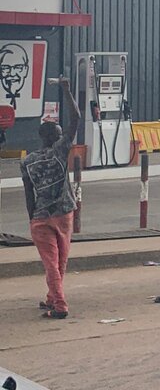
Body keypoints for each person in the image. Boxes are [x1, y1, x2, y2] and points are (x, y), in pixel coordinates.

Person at [21, 77, 80, 320]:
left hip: (40, 217)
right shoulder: (60, 150)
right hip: (63, 213)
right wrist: (66, 90)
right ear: (55, 137)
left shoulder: (27, 162)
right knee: (59, 262)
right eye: (59, 132)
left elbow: (28, 194)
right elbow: (75, 118)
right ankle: (60, 306)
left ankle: (52, 299)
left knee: (50, 262)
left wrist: (33, 218)